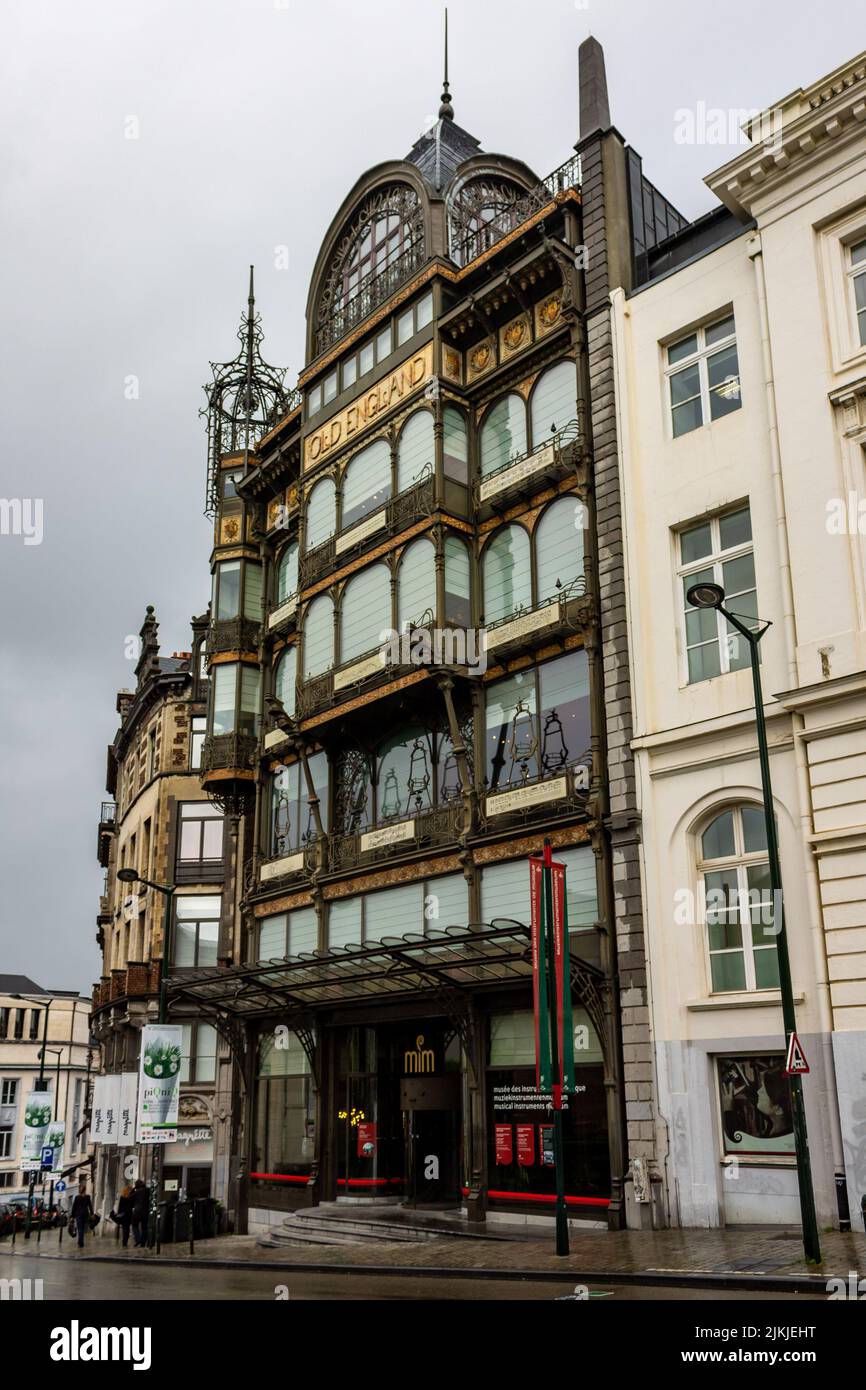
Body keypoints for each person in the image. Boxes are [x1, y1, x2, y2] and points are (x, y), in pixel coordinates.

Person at [70, 1182, 93, 1249]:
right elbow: (90, 1206)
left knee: (80, 1228)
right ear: (85, 1190)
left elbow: (74, 1207)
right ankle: (80, 1241)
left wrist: (72, 1216)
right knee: (82, 1229)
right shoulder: (87, 1197)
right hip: (85, 1214)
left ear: (80, 1190)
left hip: (78, 1214)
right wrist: (92, 1214)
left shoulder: (77, 1197)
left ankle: (80, 1242)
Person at [114, 1184, 134, 1248]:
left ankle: (124, 1242)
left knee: (125, 1229)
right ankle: (124, 1242)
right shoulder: (128, 1197)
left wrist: (119, 1214)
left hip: (124, 1215)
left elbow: (120, 1207)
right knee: (126, 1229)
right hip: (127, 1215)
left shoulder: (123, 1197)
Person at [130, 1179, 148, 1248]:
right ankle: (143, 1243)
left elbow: (129, 1197)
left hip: (137, 1212)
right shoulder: (147, 1190)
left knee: (134, 1226)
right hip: (145, 1211)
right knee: (144, 1227)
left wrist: (133, 1189)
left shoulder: (136, 1192)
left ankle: (138, 1240)